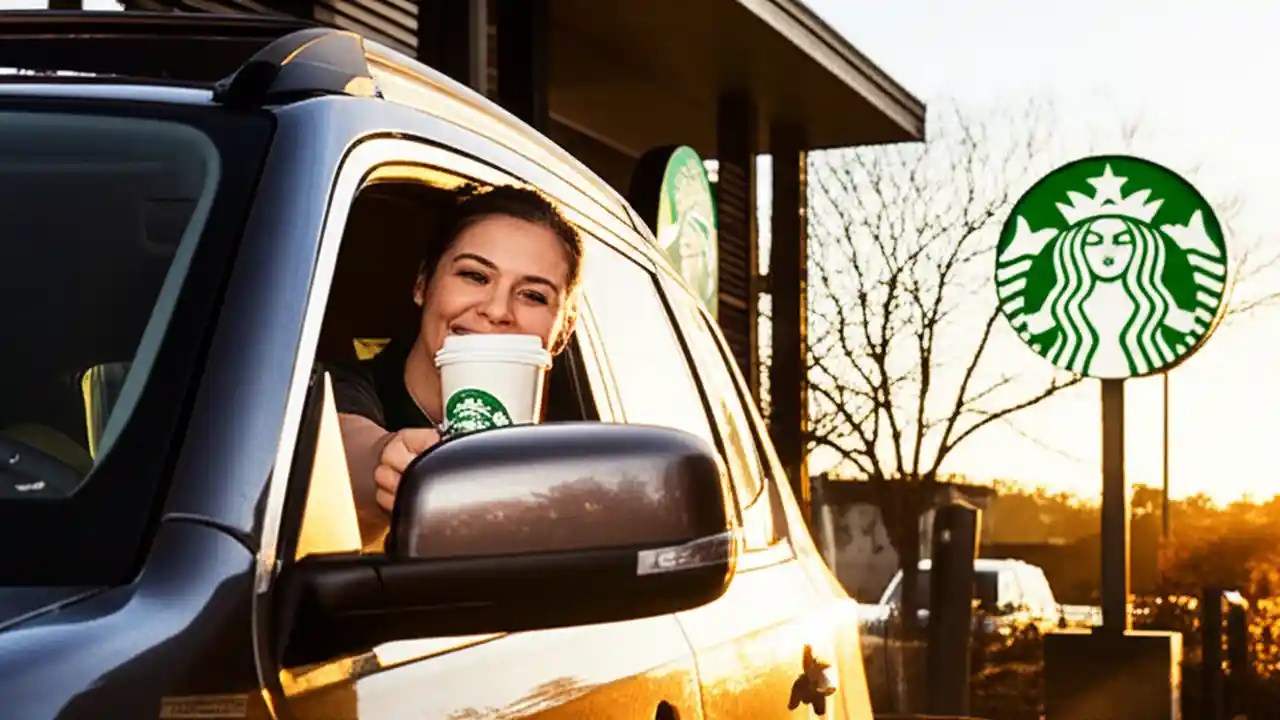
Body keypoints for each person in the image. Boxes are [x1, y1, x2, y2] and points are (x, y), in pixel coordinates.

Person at [330, 185, 583, 543]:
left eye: (533, 295)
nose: (497, 311)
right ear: (422, 283)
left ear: (562, 332)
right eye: (475, 276)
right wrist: (394, 465)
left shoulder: (572, 462)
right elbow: (351, 448)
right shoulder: (338, 389)